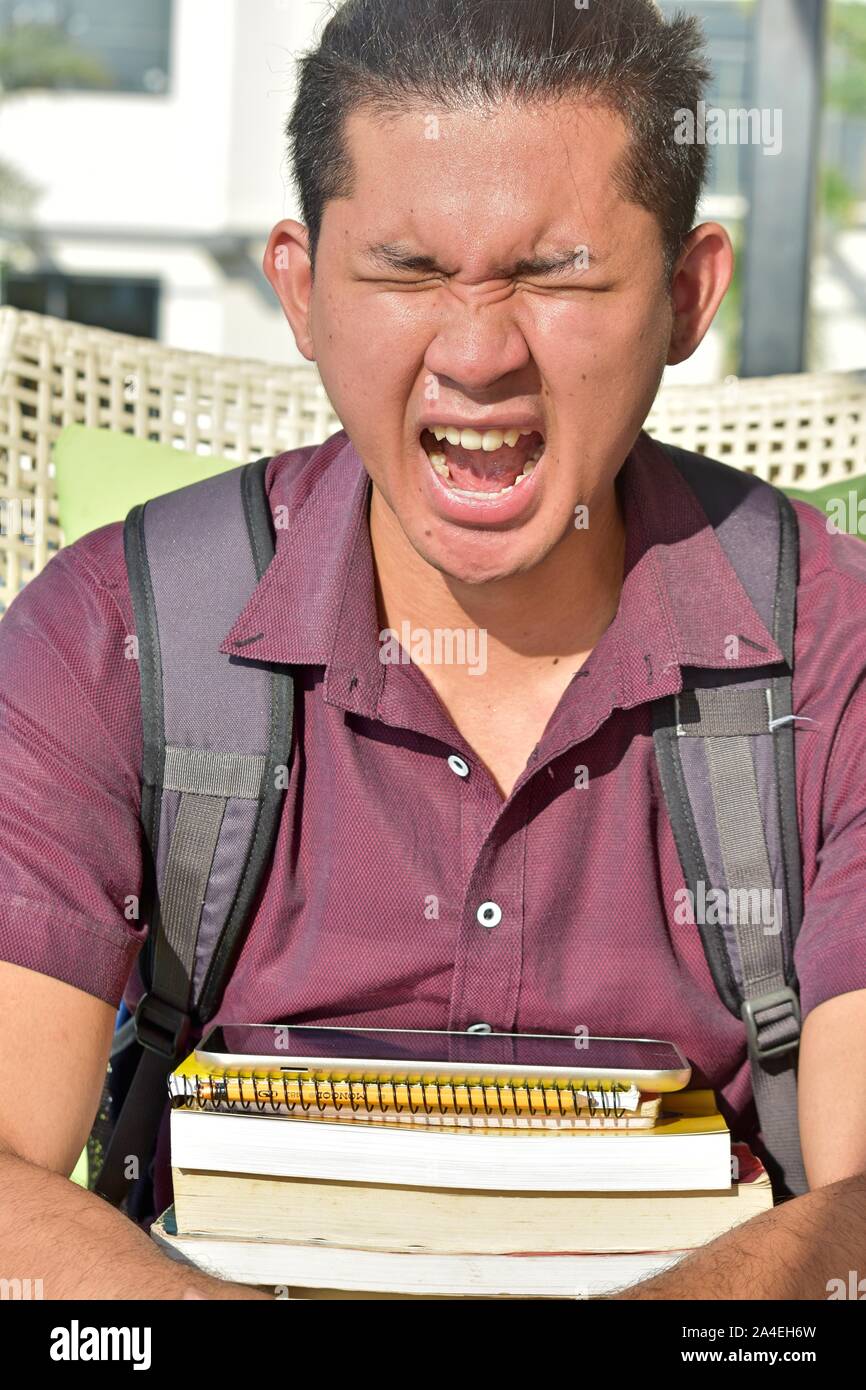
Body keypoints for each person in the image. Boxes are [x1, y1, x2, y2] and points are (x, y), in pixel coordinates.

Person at [1, 0, 865, 1302]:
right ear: (296, 288)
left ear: (686, 297)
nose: (475, 354)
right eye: (406, 273)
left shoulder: (828, 649)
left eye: (558, 275)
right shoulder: (112, 633)